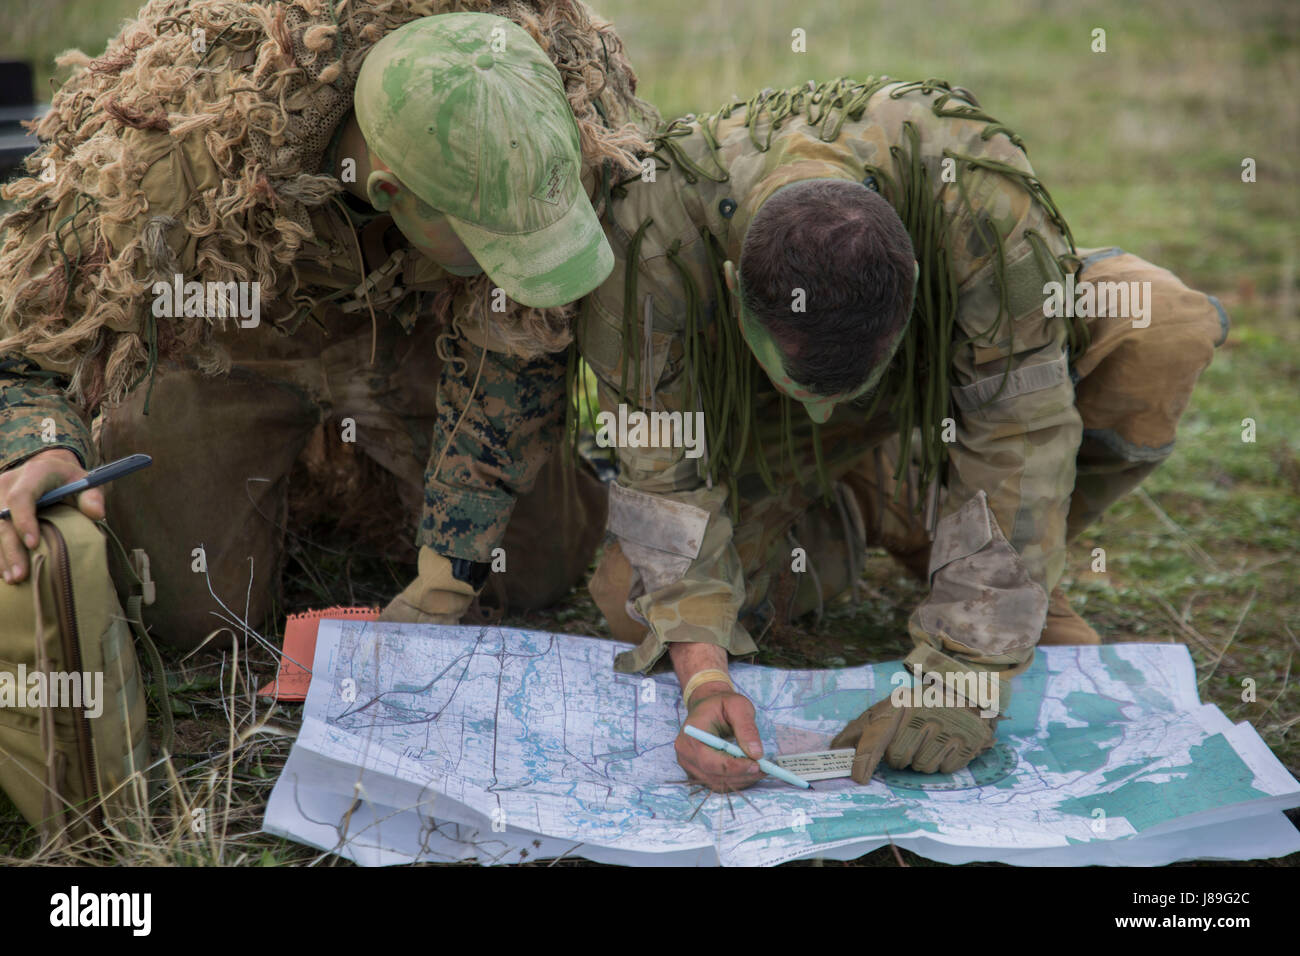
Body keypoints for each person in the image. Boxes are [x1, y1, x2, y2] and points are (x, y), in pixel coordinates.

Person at [572, 77, 1230, 791]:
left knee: (1160, 323)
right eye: (806, 385)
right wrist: (704, 682)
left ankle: (983, 560)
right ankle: (866, 515)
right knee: (625, 600)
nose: (826, 406)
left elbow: (1023, 430)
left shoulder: (974, 194)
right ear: (734, 289)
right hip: (761, 438)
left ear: (917, 275)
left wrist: (965, 673)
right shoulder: (650, 233)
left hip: (940, 400)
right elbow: (665, 475)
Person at [0, 2, 654, 649]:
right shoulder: (172, 149)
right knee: (195, 622)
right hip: (228, 335)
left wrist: (448, 576)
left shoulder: (548, 100)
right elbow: (31, 331)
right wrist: (42, 443)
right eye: (491, 238)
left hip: (414, 322)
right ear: (393, 194)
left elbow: (522, 323)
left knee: (535, 571)